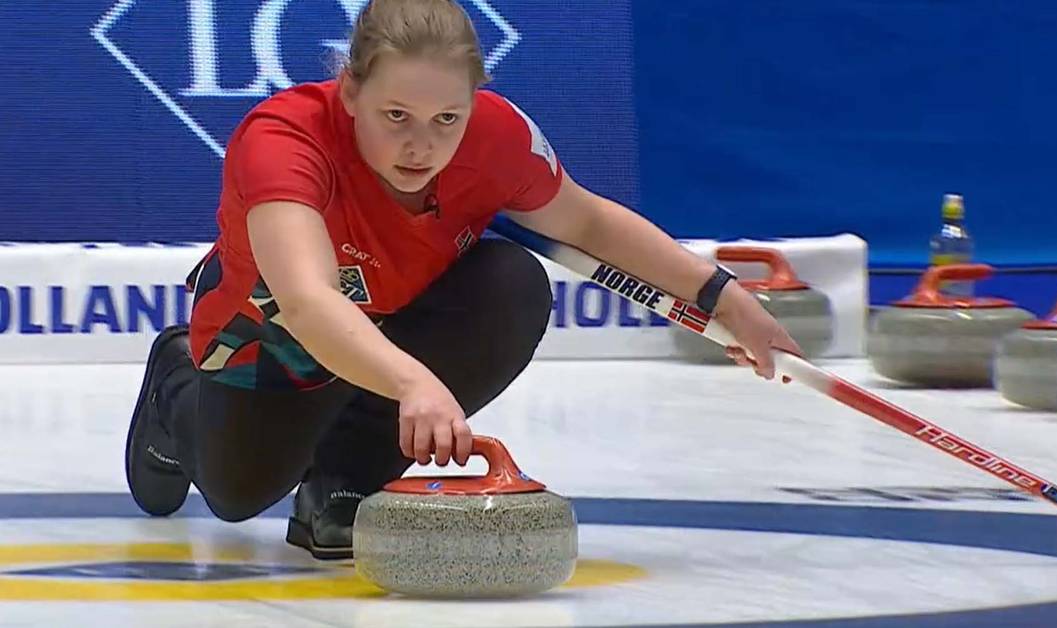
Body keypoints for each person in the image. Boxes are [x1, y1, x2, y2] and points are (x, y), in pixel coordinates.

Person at [125, 0, 803, 560]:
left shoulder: (497, 138)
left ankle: (343, 483)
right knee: (238, 495)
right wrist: (414, 381)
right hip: (272, 334)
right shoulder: (282, 139)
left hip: (394, 315)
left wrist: (723, 297)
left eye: (446, 119)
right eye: (397, 117)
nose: (421, 145)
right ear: (351, 90)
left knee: (512, 282)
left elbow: (589, 222)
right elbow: (307, 301)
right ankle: (174, 390)